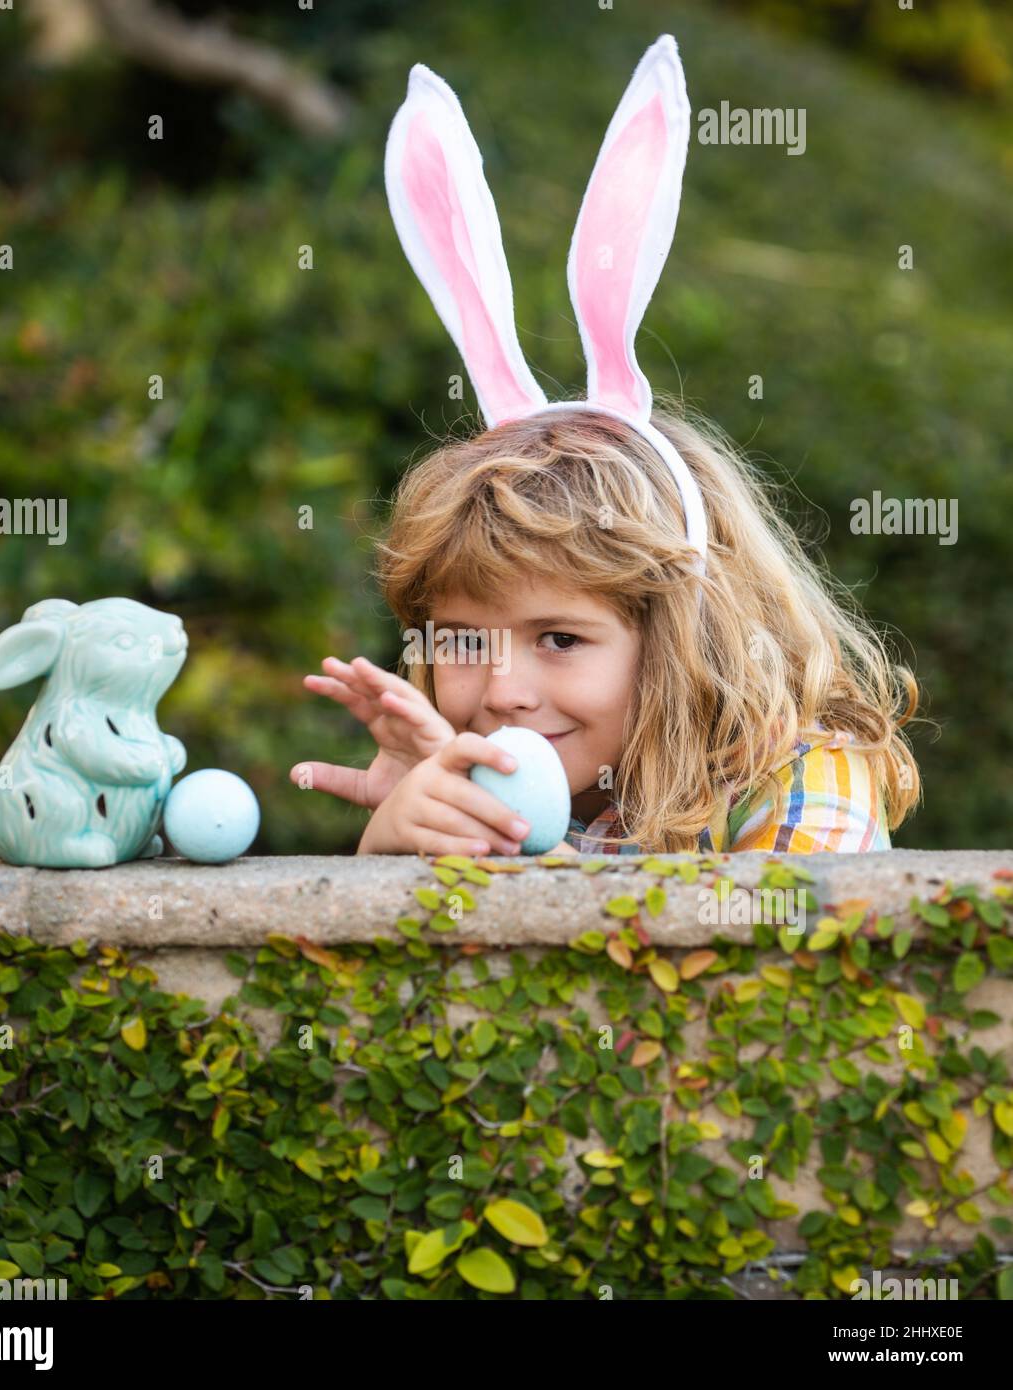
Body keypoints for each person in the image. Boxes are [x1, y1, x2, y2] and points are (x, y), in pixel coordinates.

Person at [289, 37, 920, 855]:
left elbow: (767, 971)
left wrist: (522, 861)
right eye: (463, 644)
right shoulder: (497, 788)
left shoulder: (802, 779)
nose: (504, 692)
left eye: (560, 639)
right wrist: (394, 859)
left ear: (687, 632)